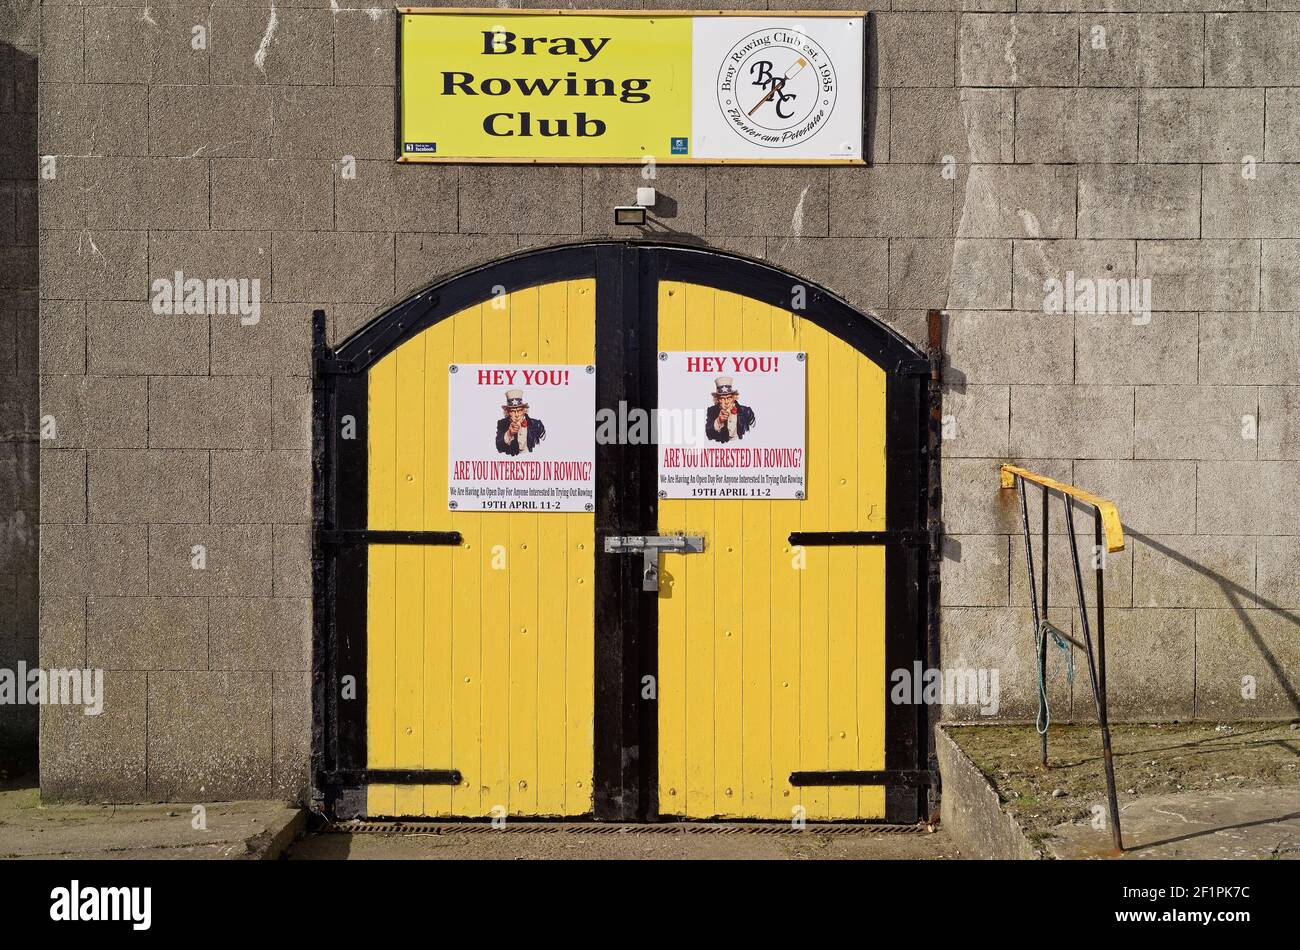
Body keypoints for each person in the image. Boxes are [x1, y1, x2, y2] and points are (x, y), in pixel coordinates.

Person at [705, 376, 756, 443]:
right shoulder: (711, 411)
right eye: (722, 398)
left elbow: (754, 432)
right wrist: (719, 421)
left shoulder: (747, 411)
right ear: (717, 400)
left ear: (733, 398)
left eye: (729, 398)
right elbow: (708, 434)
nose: (726, 402)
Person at [495, 390, 546, 455]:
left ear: (524, 410)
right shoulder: (502, 424)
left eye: (519, 411)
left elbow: (543, 446)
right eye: (513, 411)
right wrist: (509, 433)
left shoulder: (537, 424)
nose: (516, 415)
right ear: (507, 413)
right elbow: (499, 447)